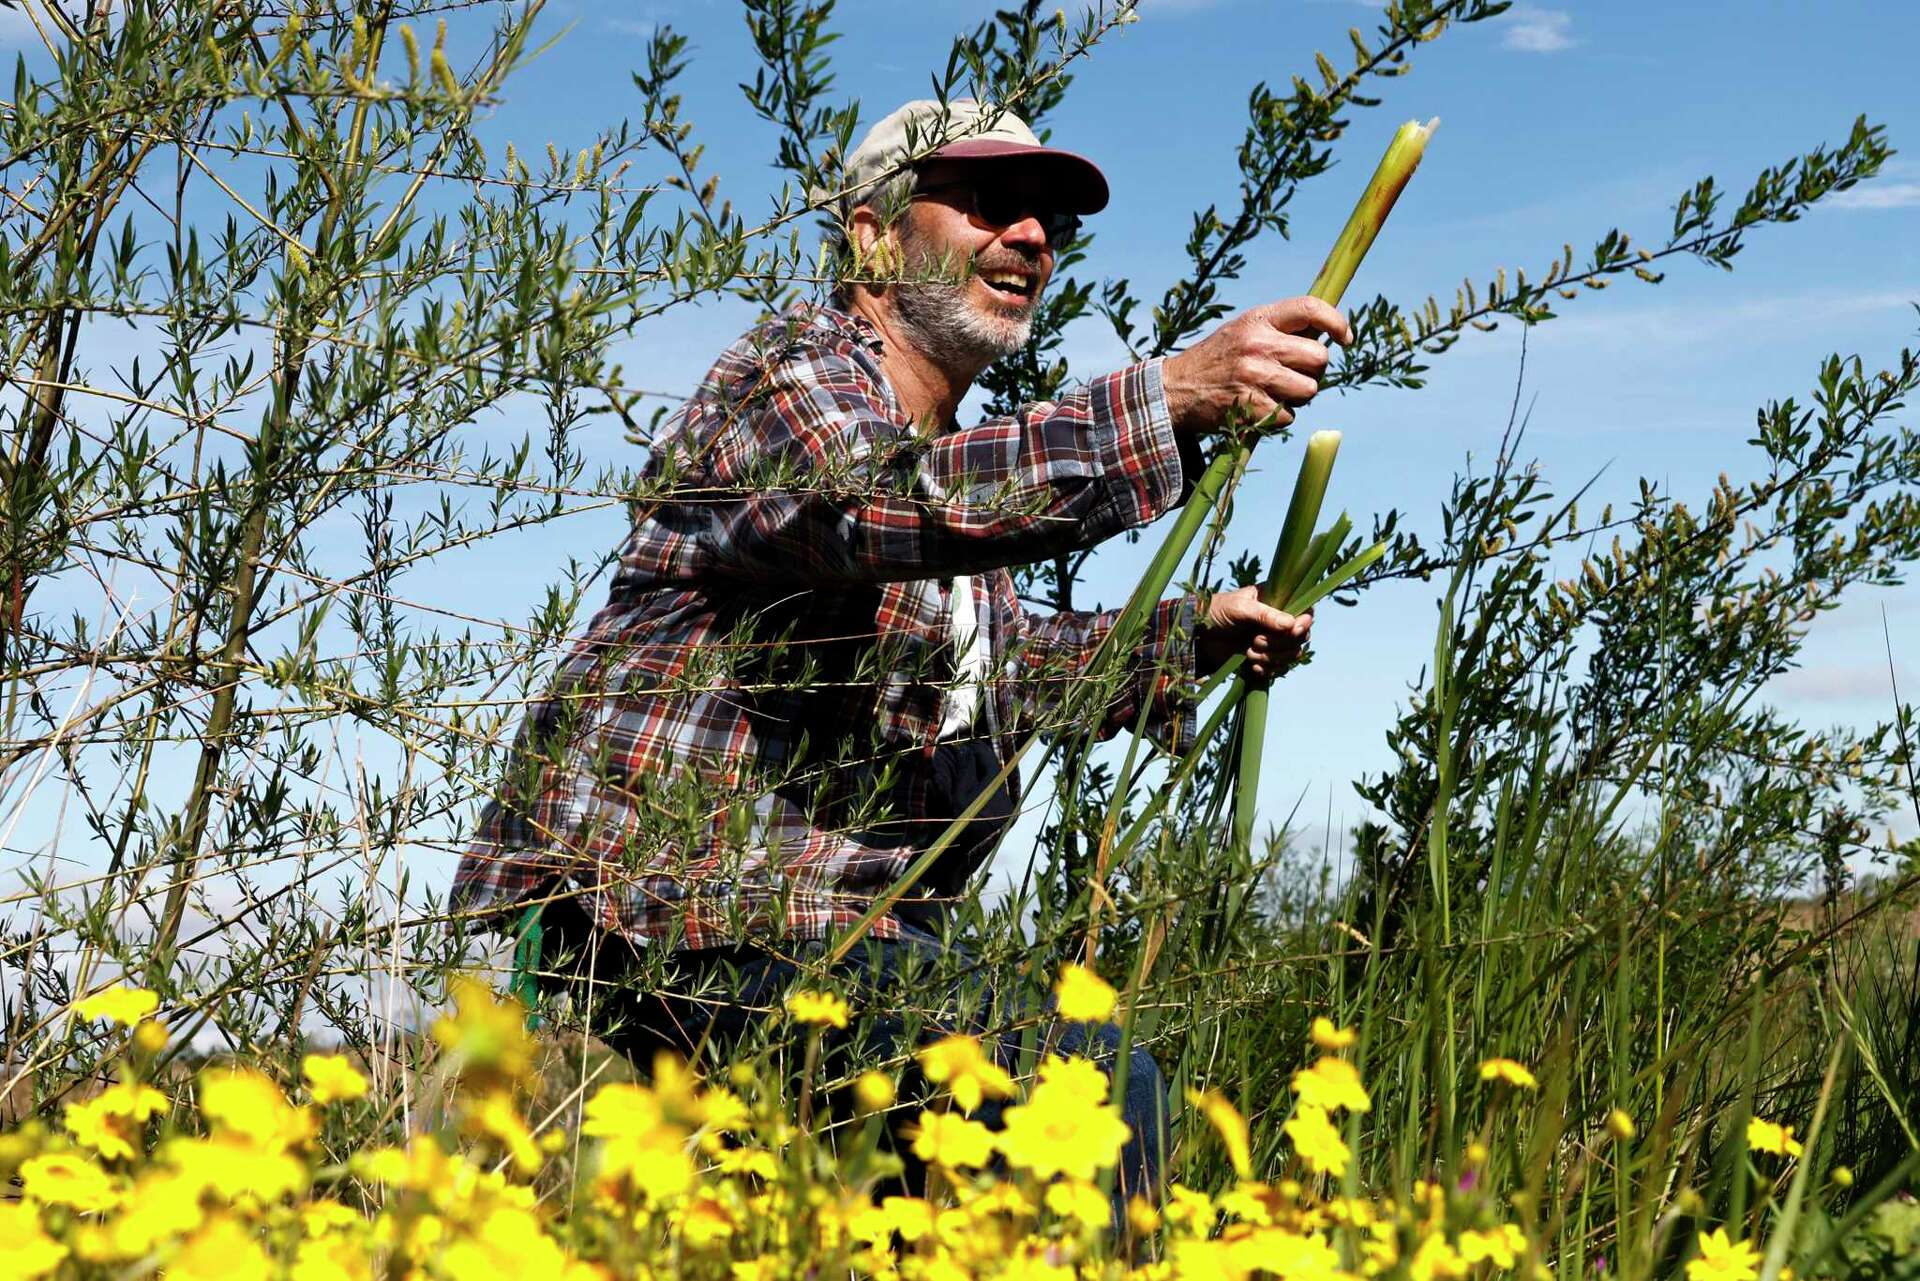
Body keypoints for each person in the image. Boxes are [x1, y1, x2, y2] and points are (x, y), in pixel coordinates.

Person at [450, 98, 1349, 1215]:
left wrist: (1183, 636)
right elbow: (871, 505)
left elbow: (995, 675)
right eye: (991, 203)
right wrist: (1165, 398)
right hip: (683, 910)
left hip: (825, 934)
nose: (1032, 236)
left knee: (897, 1203)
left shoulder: (950, 468)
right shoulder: (788, 380)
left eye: (1052, 220)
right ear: (873, 238)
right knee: (1091, 1088)